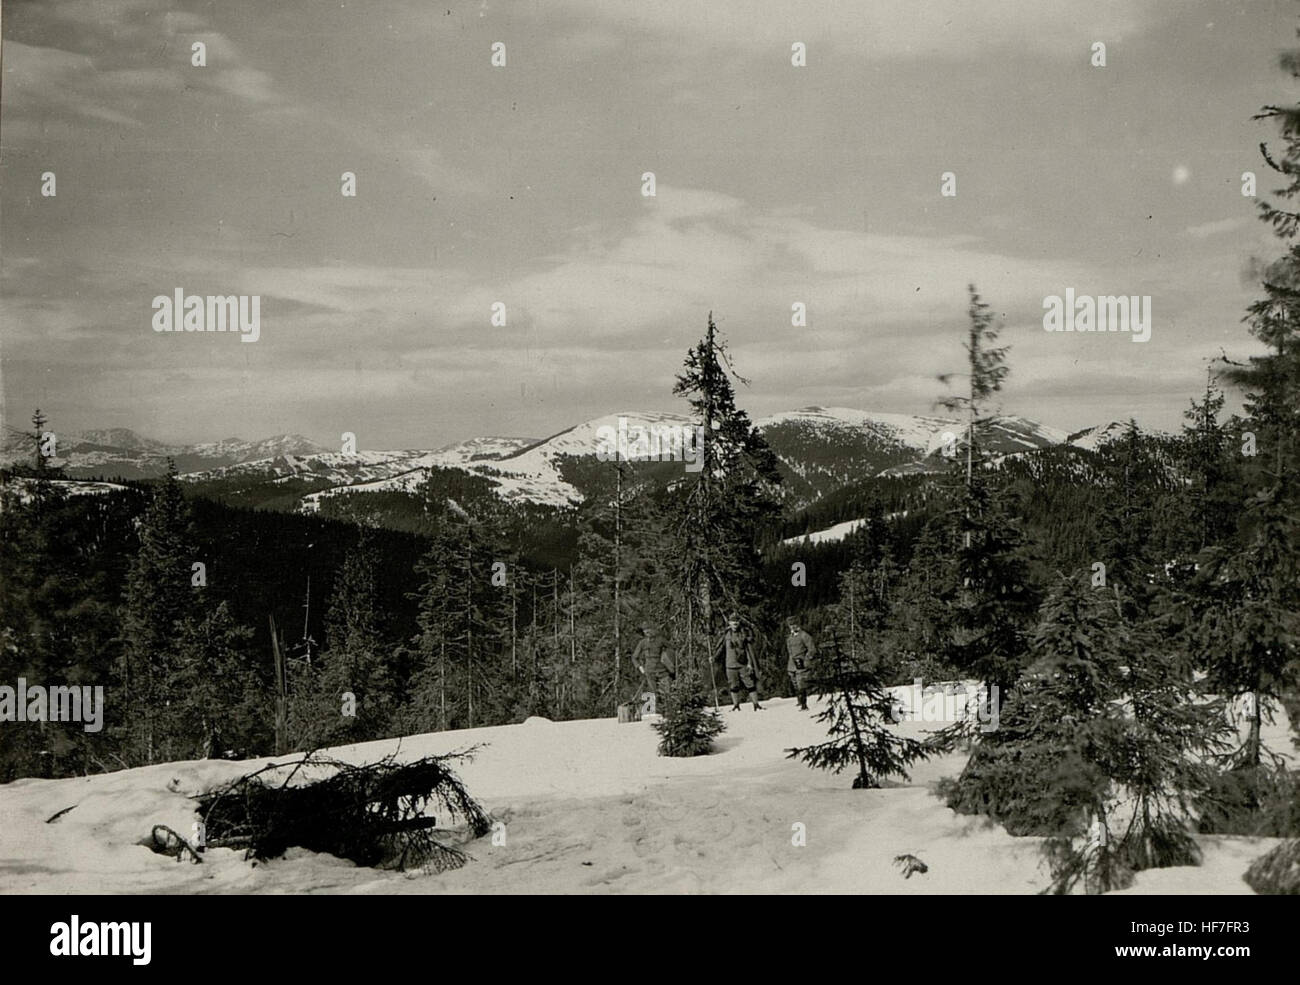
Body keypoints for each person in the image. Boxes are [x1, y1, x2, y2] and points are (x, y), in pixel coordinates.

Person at [713, 613, 762, 711]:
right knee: (733, 685)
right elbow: (721, 649)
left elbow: (748, 650)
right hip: (730, 664)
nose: (735, 623)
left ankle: (756, 704)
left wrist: (749, 663)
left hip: (742, 664)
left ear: (739, 623)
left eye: (736, 621)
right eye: (733, 621)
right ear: (729, 623)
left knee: (749, 683)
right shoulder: (725, 634)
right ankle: (736, 705)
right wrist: (714, 657)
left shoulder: (743, 633)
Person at [631, 622, 675, 707]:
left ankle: (669, 712)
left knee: (667, 694)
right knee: (652, 694)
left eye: (648, 629)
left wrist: (668, 660)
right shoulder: (642, 643)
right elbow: (634, 657)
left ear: (653, 630)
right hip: (650, 672)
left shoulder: (661, 640)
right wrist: (641, 668)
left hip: (662, 671)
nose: (647, 632)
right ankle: (653, 714)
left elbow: (672, 649)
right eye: (645, 630)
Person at [785, 617, 816, 711]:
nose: (793, 627)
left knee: (801, 683)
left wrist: (806, 659)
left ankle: (804, 704)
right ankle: (799, 701)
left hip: (801, 663)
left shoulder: (804, 635)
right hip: (792, 664)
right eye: (791, 625)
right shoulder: (790, 637)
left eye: (794, 624)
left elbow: (812, 649)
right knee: (794, 682)